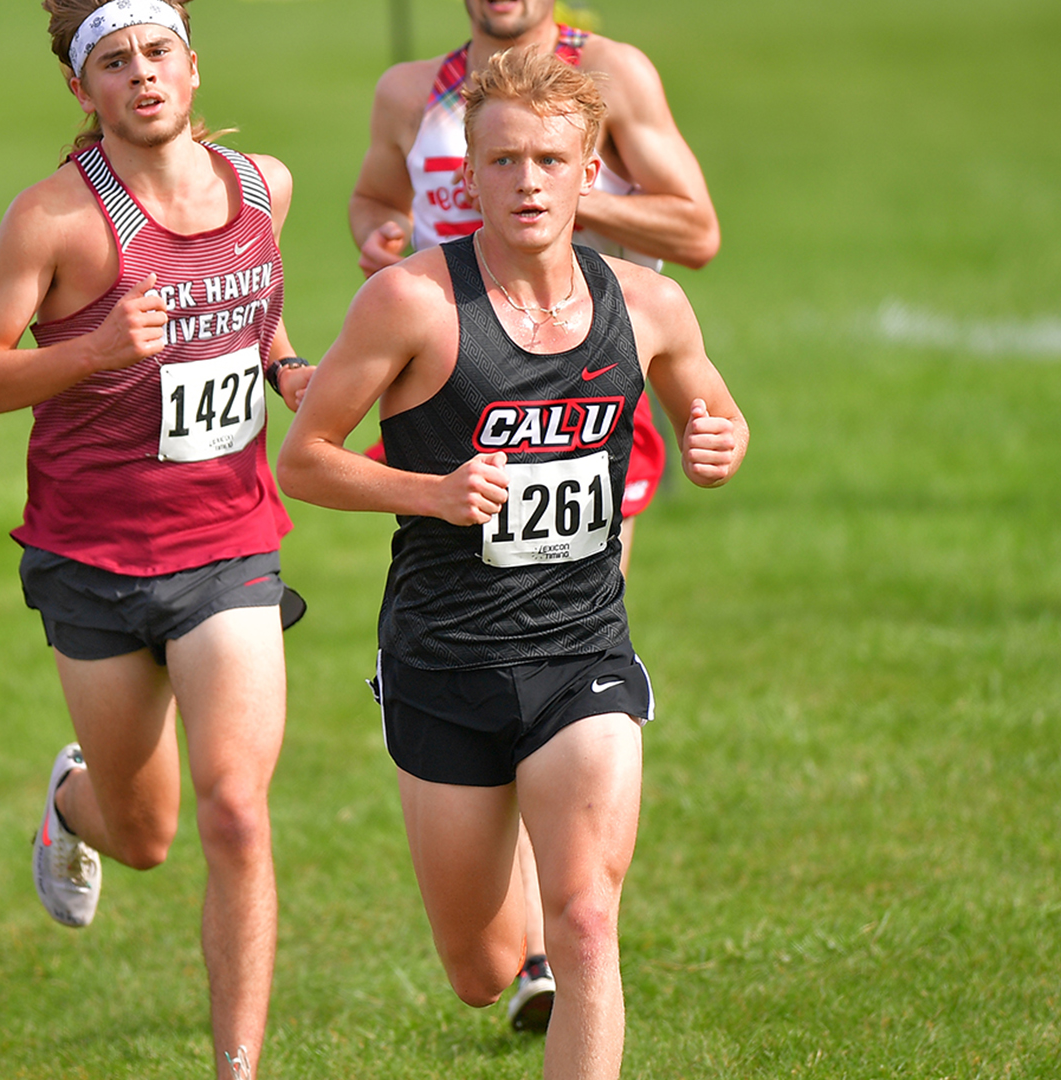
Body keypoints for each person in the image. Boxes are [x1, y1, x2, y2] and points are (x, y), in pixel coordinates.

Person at [280, 47, 746, 1079]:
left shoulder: (647, 306)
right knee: (481, 970)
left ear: (591, 173)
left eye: (549, 159)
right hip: (445, 662)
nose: (527, 181)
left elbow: (712, 411)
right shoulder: (411, 305)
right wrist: (433, 493)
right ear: (469, 176)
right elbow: (302, 462)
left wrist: (723, 444)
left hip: (582, 650)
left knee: (582, 925)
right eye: (503, 162)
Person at [0, 2, 310, 1076]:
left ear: (194, 69)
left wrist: (293, 373)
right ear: (83, 89)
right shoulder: (54, 220)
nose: (142, 76)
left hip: (230, 544)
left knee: (237, 814)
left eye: (159, 54)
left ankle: (237, 1068)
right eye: (114, 62)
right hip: (93, 556)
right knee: (147, 835)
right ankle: (73, 800)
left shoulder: (264, 188)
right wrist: (98, 346)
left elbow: (257, 316)